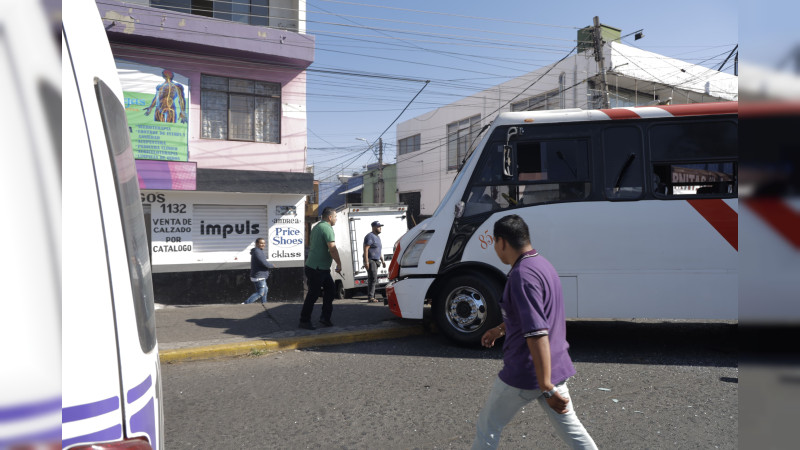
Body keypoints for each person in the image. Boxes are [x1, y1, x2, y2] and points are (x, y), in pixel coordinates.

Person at [472, 215, 597, 450]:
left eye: (495, 243)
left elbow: (537, 333)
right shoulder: (542, 265)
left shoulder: (522, 275)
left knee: (488, 426)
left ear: (502, 242)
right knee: (573, 432)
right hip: (554, 368)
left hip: (527, 373)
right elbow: (534, 315)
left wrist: (546, 387)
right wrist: (500, 329)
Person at [299, 207, 343, 330]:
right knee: (313, 295)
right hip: (317, 269)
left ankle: (325, 318)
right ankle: (304, 320)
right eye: (335, 217)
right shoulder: (327, 228)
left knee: (330, 290)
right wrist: (339, 263)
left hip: (318, 267)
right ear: (330, 217)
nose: (336, 219)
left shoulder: (317, 227)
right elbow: (332, 248)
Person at [242, 238, 275, 304]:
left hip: (259, 275)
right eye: (261, 243)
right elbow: (264, 263)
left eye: (264, 243)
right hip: (259, 276)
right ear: (257, 244)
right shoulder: (258, 252)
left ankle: (264, 303)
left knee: (265, 290)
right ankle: (245, 303)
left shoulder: (258, 251)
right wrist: (272, 265)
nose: (263, 244)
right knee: (260, 293)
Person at [363, 220, 385, 303]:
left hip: (376, 260)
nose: (380, 228)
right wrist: (366, 262)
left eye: (380, 226)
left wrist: (382, 261)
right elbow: (366, 249)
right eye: (378, 227)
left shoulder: (378, 237)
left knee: (373, 278)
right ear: (374, 227)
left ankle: (372, 296)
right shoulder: (370, 236)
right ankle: (371, 297)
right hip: (370, 260)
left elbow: (378, 250)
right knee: (373, 278)